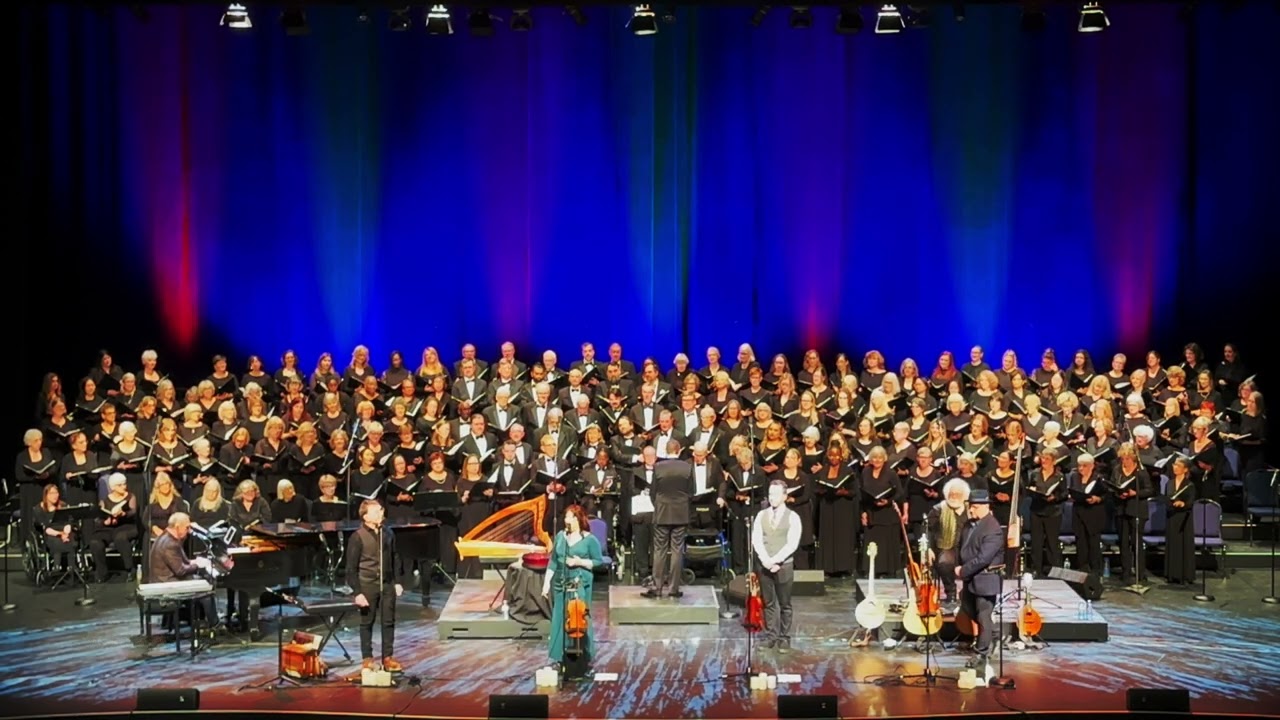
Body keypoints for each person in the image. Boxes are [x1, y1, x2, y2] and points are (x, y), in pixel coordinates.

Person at [542, 504, 605, 675]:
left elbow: (599, 561)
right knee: (559, 617)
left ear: (578, 519)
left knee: (580, 617)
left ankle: (585, 656)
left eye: (570, 517)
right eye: (566, 517)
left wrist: (579, 562)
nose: (566, 520)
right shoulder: (561, 537)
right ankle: (557, 658)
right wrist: (546, 583)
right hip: (561, 581)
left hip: (580, 581)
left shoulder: (589, 539)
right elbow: (554, 561)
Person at [344, 500, 404, 677]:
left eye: (381, 509)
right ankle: (367, 658)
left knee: (388, 621)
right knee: (367, 622)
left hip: (386, 583)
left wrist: (398, 581)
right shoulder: (357, 536)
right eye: (377, 511)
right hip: (367, 584)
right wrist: (357, 593)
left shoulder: (388, 533)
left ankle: (387, 657)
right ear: (366, 516)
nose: (381, 513)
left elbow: (395, 557)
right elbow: (351, 568)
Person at [956, 489, 1004, 670]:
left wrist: (963, 570)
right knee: (968, 609)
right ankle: (995, 634)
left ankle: (981, 653)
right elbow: (962, 545)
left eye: (975, 507)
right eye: (970, 506)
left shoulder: (993, 529)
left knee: (983, 615)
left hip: (986, 578)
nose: (971, 511)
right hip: (970, 577)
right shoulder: (970, 524)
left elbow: (984, 558)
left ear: (986, 506)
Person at [752, 480, 801, 653]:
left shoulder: (793, 517)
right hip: (765, 565)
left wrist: (777, 561)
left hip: (784, 565)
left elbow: (792, 544)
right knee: (769, 602)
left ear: (785, 496)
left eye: (776, 494)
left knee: (785, 603)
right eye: (770, 494)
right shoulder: (761, 515)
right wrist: (766, 560)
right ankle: (771, 636)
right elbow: (756, 539)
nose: (772, 498)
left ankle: (784, 637)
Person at [644, 440, 694, 599]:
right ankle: (673, 588)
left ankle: (657, 587)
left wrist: (659, 505)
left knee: (659, 550)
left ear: (666, 450)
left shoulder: (659, 467)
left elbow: (653, 493)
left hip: (662, 513)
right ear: (679, 450)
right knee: (677, 550)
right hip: (680, 513)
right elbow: (691, 492)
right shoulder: (687, 467)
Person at [148, 511, 218, 624]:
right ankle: (214, 624)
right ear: (177, 527)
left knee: (200, 580)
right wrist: (197, 565)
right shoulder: (170, 544)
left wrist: (193, 561)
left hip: (164, 578)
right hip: (167, 583)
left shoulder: (165, 536)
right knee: (206, 589)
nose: (189, 531)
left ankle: (197, 619)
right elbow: (180, 571)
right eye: (186, 527)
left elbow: (177, 562)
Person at [925, 478, 970, 611]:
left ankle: (968, 595)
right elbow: (927, 529)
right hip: (947, 546)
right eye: (951, 493)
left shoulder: (971, 509)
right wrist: (928, 548)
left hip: (968, 547)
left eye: (957, 494)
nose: (954, 496)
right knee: (944, 562)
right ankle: (951, 593)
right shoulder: (938, 509)